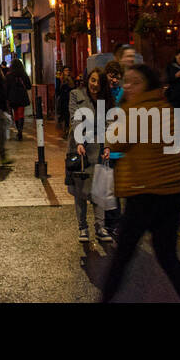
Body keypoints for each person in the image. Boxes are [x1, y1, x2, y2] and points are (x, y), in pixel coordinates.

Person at [100, 63, 180, 303]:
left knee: (122, 256)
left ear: (148, 85)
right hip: (172, 193)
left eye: (134, 82)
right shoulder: (165, 108)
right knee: (167, 257)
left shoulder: (137, 112)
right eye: (126, 81)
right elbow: (179, 150)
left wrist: (123, 108)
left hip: (144, 194)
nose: (127, 86)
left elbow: (114, 141)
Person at [68, 67, 118, 243]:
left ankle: (100, 226)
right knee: (80, 190)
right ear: (87, 79)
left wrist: (107, 146)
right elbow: (75, 118)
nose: (95, 85)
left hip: (98, 149)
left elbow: (109, 123)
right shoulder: (75, 94)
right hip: (79, 148)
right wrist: (79, 142)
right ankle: (82, 227)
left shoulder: (106, 100)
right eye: (92, 80)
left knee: (99, 188)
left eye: (98, 81)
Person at [5, 57, 32, 140]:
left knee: (16, 113)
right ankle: (20, 131)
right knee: (21, 113)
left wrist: (7, 98)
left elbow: (6, 88)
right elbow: (29, 86)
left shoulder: (9, 75)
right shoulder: (24, 75)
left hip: (13, 96)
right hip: (22, 96)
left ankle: (18, 130)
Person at [164, 49, 180, 118]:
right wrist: (176, 76)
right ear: (175, 57)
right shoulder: (170, 66)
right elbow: (166, 79)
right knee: (177, 115)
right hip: (174, 95)